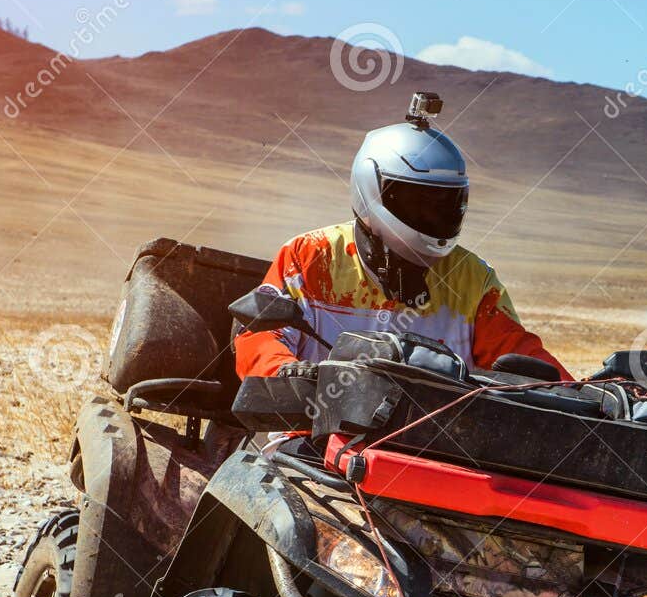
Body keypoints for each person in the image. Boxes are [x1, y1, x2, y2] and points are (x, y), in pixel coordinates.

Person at [234, 93, 568, 381]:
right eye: (419, 202)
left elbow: (521, 354)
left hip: (431, 442)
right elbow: (261, 339)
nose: (434, 217)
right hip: (308, 438)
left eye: (446, 204)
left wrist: (583, 396)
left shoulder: (473, 279)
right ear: (371, 188)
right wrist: (289, 375)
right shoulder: (310, 255)